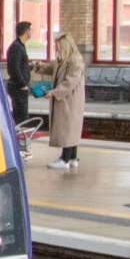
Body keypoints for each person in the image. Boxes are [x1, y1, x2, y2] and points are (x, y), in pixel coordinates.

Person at [46, 29, 85, 170]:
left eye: (58, 46)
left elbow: (70, 82)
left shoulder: (76, 61)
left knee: (68, 129)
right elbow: (52, 68)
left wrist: (54, 92)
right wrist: (38, 66)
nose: (56, 48)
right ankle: (73, 158)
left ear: (66, 45)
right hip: (66, 101)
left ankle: (65, 159)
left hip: (71, 101)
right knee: (71, 129)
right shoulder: (64, 59)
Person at [5, 21, 33, 124]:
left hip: (20, 87)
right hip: (18, 88)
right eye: (30, 30)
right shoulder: (16, 47)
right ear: (26, 31)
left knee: (22, 116)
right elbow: (13, 68)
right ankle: (19, 138)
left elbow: (20, 65)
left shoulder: (20, 46)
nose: (31, 32)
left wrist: (30, 66)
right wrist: (23, 84)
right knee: (21, 118)